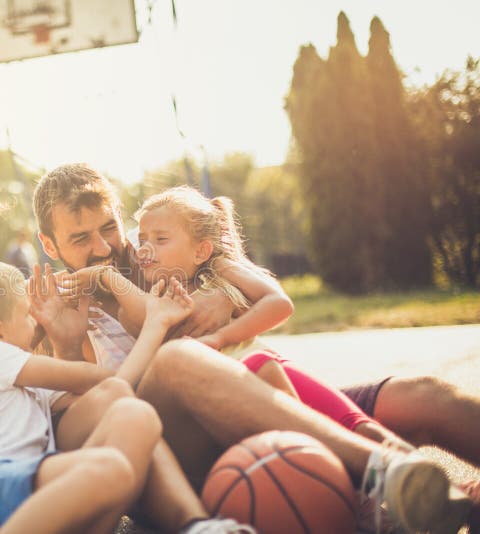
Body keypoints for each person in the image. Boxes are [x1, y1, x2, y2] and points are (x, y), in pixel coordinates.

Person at [32, 163, 475, 533]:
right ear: (49, 245)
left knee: (421, 395)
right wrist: (67, 345)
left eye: (108, 227)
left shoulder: (152, 253)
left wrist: (223, 294)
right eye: (80, 239)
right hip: (179, 444)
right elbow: (89, 416)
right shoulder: (57, 306)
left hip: (255, 392)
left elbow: (244, 277)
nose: (102, 246)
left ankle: (431, 492)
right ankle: (382, 470)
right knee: (180, 359)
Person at [0, 259, 254, 534]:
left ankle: (197, 527)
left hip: (24, 492)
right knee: (110, 467)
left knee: (135, 417)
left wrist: (60, 335)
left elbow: (113, 390)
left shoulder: (17, 382)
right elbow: (100, 378)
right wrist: (156, 324)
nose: (35, 321)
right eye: (27, 314)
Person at [61, 185, 396, 444]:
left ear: (201, 249)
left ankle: (427, 490)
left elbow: (279, 303)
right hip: (231, 392)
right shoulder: (153, 296)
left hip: (265, 367)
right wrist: (104, 277)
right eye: (142, 240)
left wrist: (222, 336)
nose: (145, 249)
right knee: (310, 448)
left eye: (159, 239)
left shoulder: (217, 267)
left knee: (357, 429)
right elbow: (141, 317)